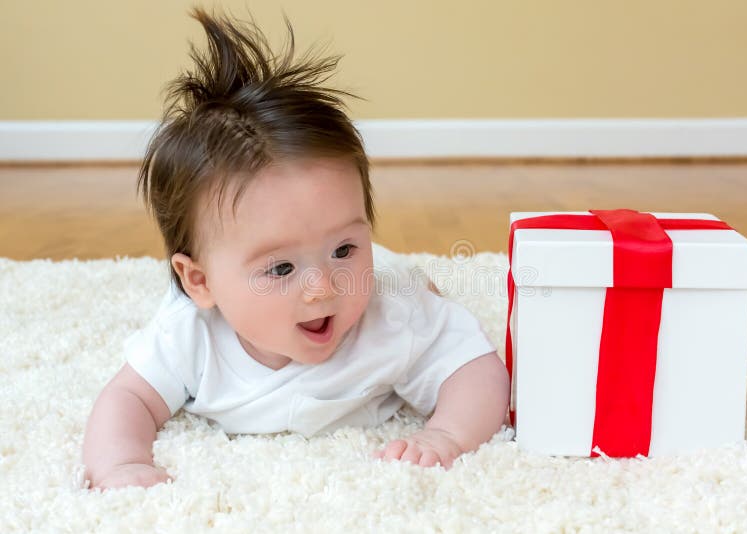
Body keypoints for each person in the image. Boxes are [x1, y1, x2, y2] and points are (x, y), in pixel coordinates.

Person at [82, 6, 509, 490]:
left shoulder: (389, 317)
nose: (322, 288)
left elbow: (477, 370)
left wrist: (447, 435)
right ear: (200, 282)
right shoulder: (189, 337)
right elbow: (127, 399)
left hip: (388, 278)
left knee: (400, 281)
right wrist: (121, 464)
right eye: (281, 267)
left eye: (346, 246)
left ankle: (393, 266)